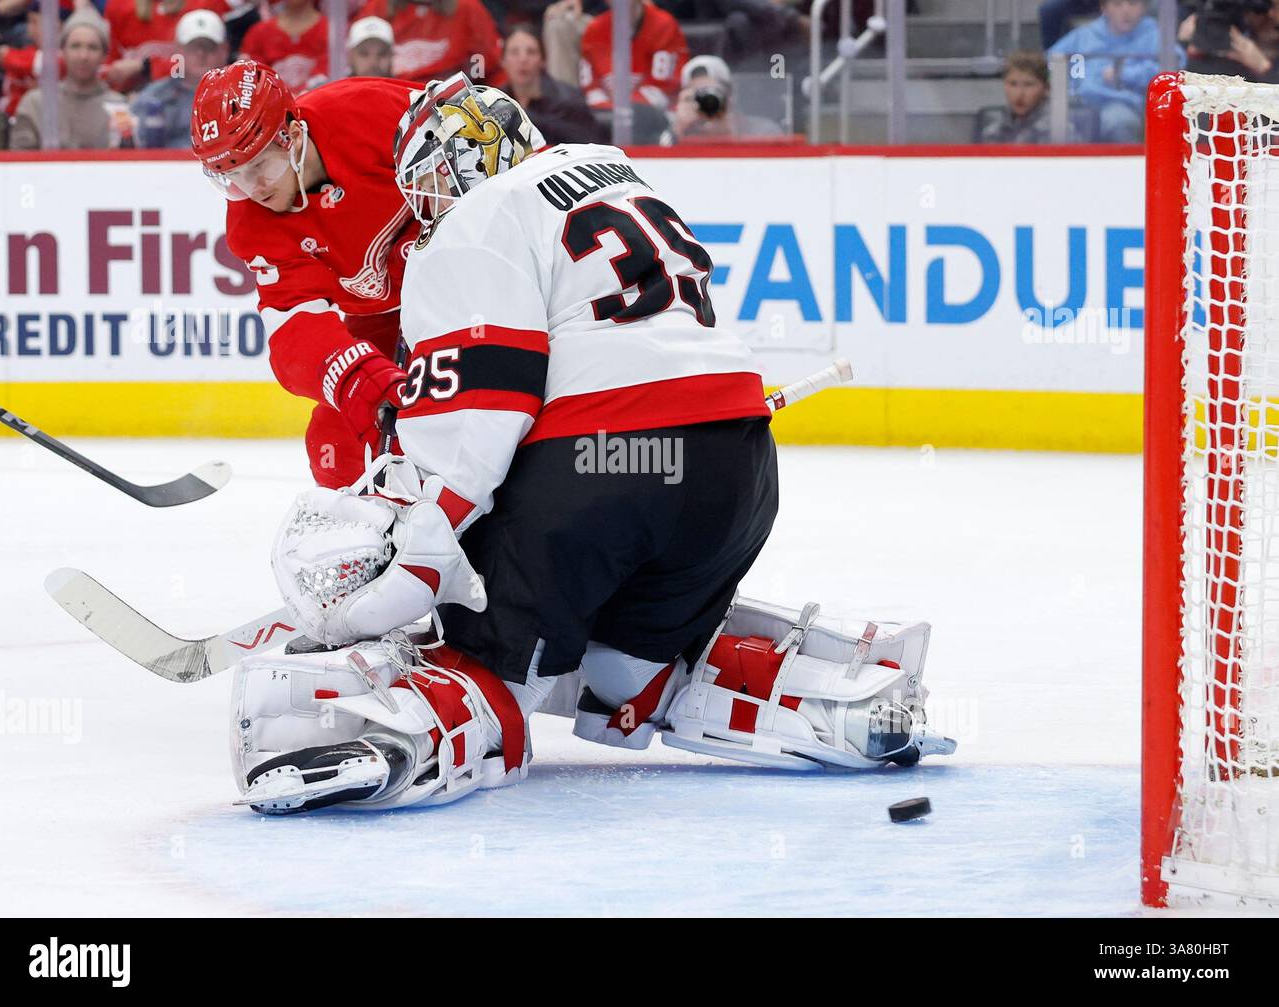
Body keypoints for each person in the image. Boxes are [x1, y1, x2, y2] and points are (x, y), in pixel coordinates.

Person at [233, 74, 956, 814]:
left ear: (461, 167)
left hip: (603, 474)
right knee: (618, 668)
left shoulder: (478, 218)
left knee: (486, 653)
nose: (419, 205)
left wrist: (415, 559)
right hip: (737, 472)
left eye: (425, 180)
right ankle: (834, 703)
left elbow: (484, 415)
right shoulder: (614, 172)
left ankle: (405, 737)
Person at [190, 60, 424, 487]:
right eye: (232, 177)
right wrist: (352, 373)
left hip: (473, 296)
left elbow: (487, 141)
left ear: (292, 134)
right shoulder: (251, 225)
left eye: (259, 165)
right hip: (382, 317)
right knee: (334, 443)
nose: (253, 189)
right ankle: (372, 535)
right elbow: (293, 329)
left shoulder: (369, 112)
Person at [1046, 0, 1168, 143]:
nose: (1125, 11)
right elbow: (1051, 61)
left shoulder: (1154, 34)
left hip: (1122, 103)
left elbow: (1171, 68)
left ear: (1143, 7)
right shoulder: (1085, 33)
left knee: (1118, 123)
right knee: (1055, 122)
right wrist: (1068, 88)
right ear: (1104, 8)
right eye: (1117, 4)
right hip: (1079, 103)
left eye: (1133, 3)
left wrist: (1124, 74)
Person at [9, 7, 130, 149]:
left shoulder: (119, 107)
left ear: (104, 56)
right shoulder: (35, 104)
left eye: (93, 47)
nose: (83, 56)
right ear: (62, 51)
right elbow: (19, 162)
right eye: (75, 46)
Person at [132, 8, 227, 148]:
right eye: (193, 47)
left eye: (209, 47)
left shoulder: (240, 96)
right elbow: (137, 145)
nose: (201, 54)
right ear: (178, 50)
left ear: (224, 51)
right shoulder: (154, 97)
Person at [353, 0, 502, 84]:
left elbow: (488, 61)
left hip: (448, 101)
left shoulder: (467, 9)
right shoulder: (379, 7)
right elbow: (356, 57)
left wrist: (474, 85)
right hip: (393, 94)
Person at [498, 22, 599, 144]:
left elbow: (588, 142)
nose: (523, 59)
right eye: (515, 52)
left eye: (531, 52)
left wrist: (530, 118)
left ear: (543, 60)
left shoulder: (569, 100)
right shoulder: (495, 101)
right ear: (503, 60)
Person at [580, 0, 687, 113]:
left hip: (657, 117)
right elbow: (591, 91)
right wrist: (609, 114)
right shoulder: (594, 30)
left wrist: (622, 110)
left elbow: (664, 92)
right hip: (608, 118)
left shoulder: (663, 25)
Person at [103, 0, 228, 92]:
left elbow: (207, 65)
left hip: (190, 95)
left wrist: (147, 66)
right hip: (131, 98)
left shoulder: (205, 4)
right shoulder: (119, 7)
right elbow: (107, 66)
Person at [666, 53, 783, 142]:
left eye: (713, 93)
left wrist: (730, 131)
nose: (708, 102)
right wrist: (679, 130)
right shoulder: (670, 127)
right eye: (698, 95)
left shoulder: (763, 130)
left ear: (731, 95)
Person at [237, 0, 328, 94]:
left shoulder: (331, 32)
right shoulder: (259, 33)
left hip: (317, 101)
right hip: (271, 104)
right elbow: (249, 80)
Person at [972, 50, 1052, 144]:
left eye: (1029, 85)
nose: (1019, 93)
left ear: (1047, 88)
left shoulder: (1058, 127)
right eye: (1013, 84)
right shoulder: (991, 128)